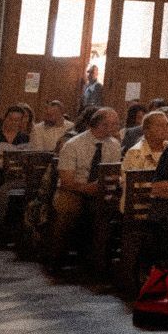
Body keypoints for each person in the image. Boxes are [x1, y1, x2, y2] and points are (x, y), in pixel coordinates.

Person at [49, 106, 122, 267]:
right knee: (68, 209)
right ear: (102, 125)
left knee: (106, 212)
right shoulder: (73, 144)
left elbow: (114, 172)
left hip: (99, 190)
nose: (118, 128)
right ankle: (56, 257)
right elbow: (66, 180)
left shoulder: (114, 145)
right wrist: (87, 188)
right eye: (114, 124)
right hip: (73, 189)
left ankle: (96, 261)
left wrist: (104, 186)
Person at [120, 110, 168, 210]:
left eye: (167, 125)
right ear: (146, 130)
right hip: (139, 207)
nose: (165, 129)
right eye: (159, 125)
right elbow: (134, 187)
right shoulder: (135, 152)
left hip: (166, 205)